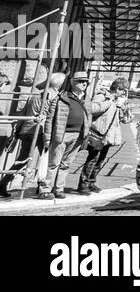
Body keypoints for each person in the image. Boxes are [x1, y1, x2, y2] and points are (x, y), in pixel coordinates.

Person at [0, 65, 49, 200]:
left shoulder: (35, 95)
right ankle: (42, 188)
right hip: (36, 131)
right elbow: (43, 115)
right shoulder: (45, 96)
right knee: (42, 159)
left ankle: (4, 183)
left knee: (25, 159)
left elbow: (23, 111)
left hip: (28, 130)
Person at [40, 71, 91, 200]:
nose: (84, 83)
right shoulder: (61, 97)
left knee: (66, 164)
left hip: (77, 136)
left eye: (86, 81)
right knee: (54, 163)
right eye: (81, 81)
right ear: (73, 82)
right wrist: (47, 137)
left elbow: (88, 117)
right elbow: (50, 119)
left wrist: (85, 135)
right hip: (61, 135)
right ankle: (45, 189)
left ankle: (59, 188)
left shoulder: (85, 100)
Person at [77, 79, 130, 195]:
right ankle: (83, 184)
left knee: (100, 160)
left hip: (108, 135)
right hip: (98, 133)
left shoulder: (117, 101)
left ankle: (91, 182)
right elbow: (92, 109)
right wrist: (109, 102)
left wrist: (122, 108)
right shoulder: (102, 96)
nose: (124, 93)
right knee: (92, 159)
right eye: (123, 91)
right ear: (117, 89)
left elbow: (121, 119)